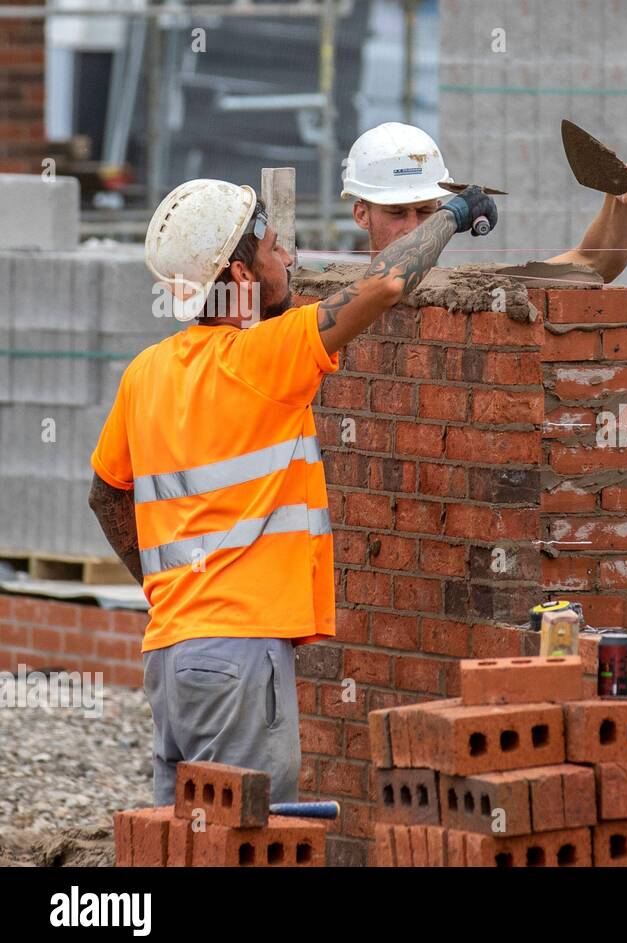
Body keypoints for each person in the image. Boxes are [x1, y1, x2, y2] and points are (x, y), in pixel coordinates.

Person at [87, 176, 497, 804]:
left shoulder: (147, 373)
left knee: (182, 838)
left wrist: (167, 588)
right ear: (240, 276)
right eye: (276, 248)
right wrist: (452, 212)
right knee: (250, 834)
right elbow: (386, 282)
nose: (290, 259)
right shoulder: (262, 360)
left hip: (172, 652)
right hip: (240, 659)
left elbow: (105, 495)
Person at [341, 121, 627, 280]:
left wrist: (622, 190)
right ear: (361, 214)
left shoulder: (470, 294)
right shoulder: (330, 306)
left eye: (426, 211)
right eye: (396, 212)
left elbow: (597, 262)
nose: (412, 227)